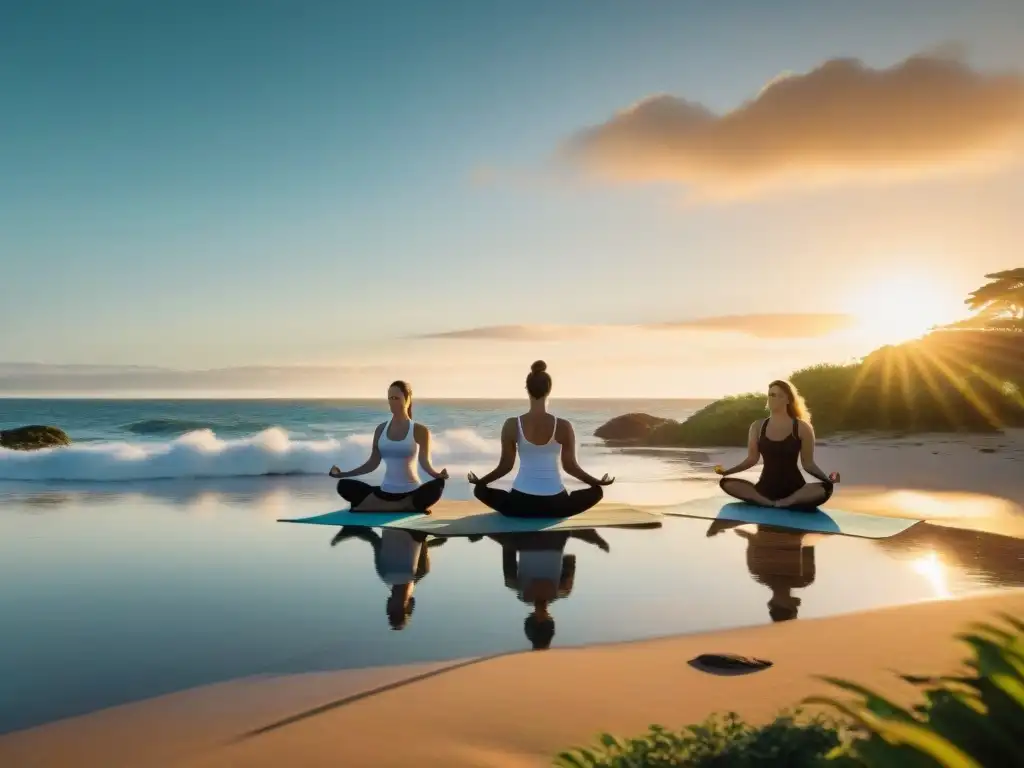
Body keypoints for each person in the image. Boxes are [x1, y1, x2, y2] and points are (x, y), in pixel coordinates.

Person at [468, 360, 614, 518]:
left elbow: (505, 466)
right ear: (549, 390)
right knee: (597, 492)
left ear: (527, 390)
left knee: (480, 490)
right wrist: (596, 482)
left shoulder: (512, 425)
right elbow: (570, 467)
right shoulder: (564, 426)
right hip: (556, 505)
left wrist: (481, 482)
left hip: (520, 504)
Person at [714, 379, 839, 511]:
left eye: (778, 395)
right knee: (726, 483)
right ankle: (765, 501)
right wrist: (728, 472)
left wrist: (827, 479)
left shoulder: (802, 427)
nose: (772, 398)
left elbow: (808, 464)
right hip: (765, 488)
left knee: (824, 489)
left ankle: (787, 501)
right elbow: (752, 459)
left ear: (788, 400)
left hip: (795, 488)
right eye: (771, 394)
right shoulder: (757, 426)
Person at [328, 380, 448, 513]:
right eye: (390, 398)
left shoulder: (419, 430)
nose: (393, 402)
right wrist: (343, 474)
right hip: (384, 491)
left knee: (437, 486)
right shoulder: (381, 429)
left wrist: (437, 474)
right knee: (344, 485)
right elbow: (372, 463)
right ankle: (403, 506)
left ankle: (375, 506)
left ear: (407, 399)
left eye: (397, 398)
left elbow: (424, 462)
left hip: (412, 492)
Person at [331, 526, 447, 630]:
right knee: (439, 540)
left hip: (407, 524)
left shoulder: (418, 571)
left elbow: (421, 537)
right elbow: (375, 540)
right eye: (399, 611)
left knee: (440, 540)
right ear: (388, 605)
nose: (397, 607)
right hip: (395, 524)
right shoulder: (385, 573)